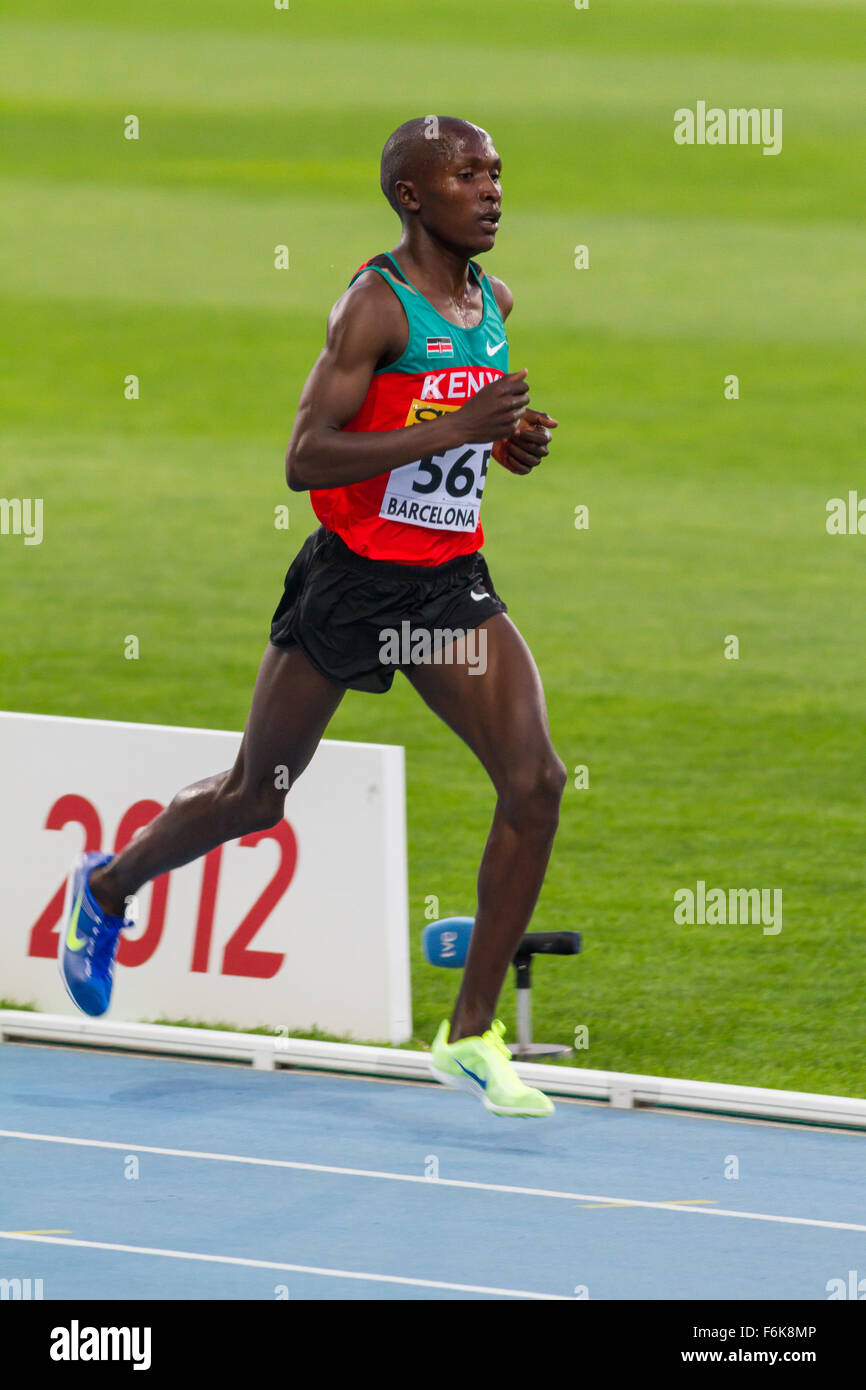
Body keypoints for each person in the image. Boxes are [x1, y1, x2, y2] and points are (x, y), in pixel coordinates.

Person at [59, 115, 566, 1118]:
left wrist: (503, 445)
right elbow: (304, 459)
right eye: (468, 175)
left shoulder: (491, 299)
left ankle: (467, 1035)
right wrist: (459, 426)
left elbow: (449, 424)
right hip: (350, 583)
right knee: (256, 795)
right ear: (413, 197)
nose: (493, 191)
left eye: (498, 172)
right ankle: (106, 890)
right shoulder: (370, 308)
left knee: (534, 779)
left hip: (444, 582)